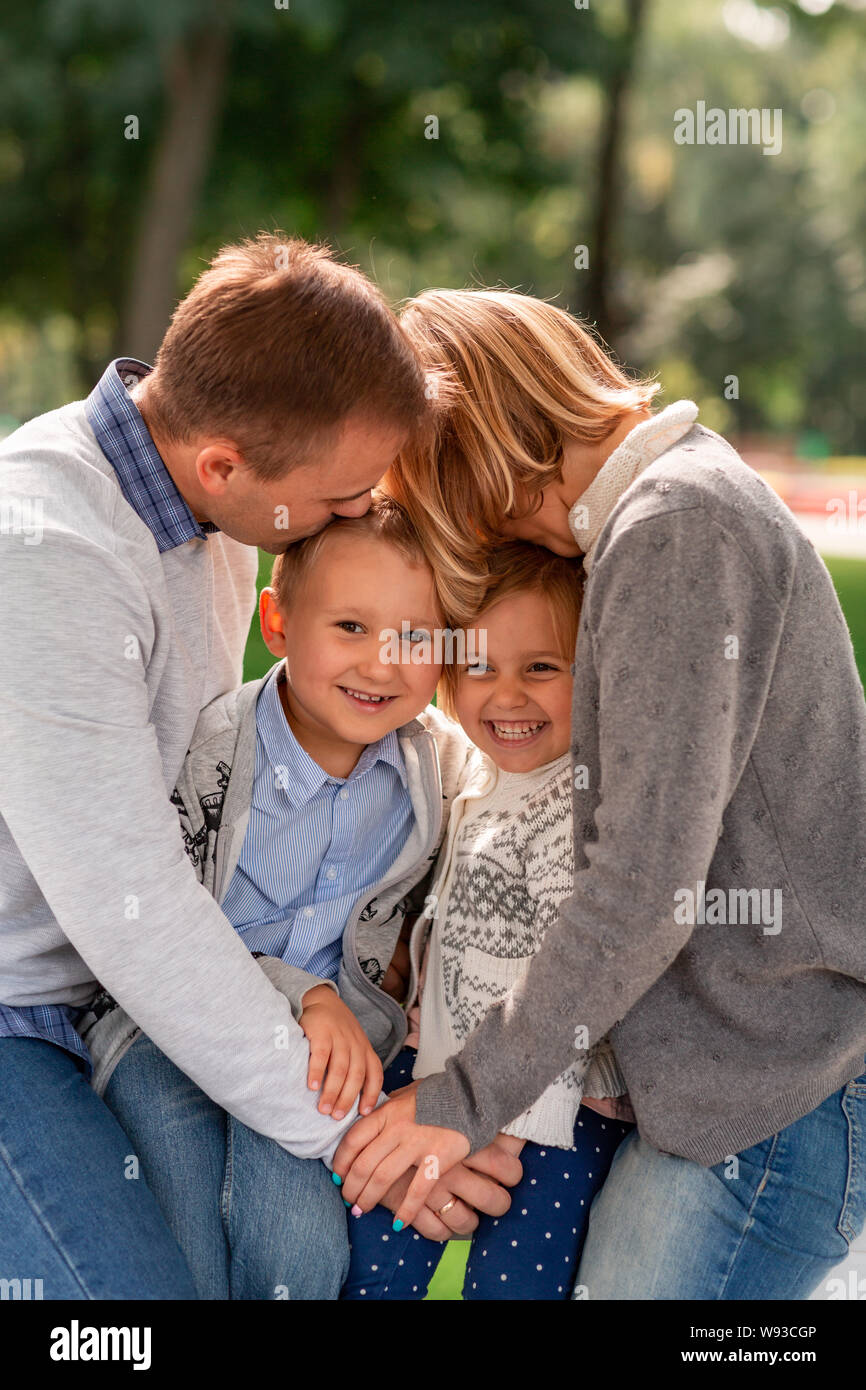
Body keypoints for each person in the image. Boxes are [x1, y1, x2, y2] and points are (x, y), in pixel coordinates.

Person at [333, 288, 866, 1300]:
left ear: (463, 439)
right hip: (736, 1086)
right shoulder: (660, 511)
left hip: (776, 1097)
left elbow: (640, 886)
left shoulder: (671, 527)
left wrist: (461, 1097)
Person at [0, 232, 432, 1298]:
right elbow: (129, 899)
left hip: (106, 999)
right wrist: (357, 1137)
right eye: (340, 500)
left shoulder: (217, 508)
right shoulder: (49, 552)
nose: (350, 519)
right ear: (223, 464)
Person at [80, 499, 523, 1298]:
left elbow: (501, 863)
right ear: (277, 624)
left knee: (300, 1252)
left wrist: (430, 994)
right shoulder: (215, 756)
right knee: (179, 1220)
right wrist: (304, 991)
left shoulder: (439, 772)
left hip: (330, 1062)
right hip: (169, 1028)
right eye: (349, 627)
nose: (382, 666)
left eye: (415, 638)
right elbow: (161, 935)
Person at [341, 542, 634, 1300]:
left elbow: (586, 974)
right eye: (479, 668)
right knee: (369, 1264)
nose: (506, 696)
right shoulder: (471, 779)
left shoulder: (575, 806)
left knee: (517, 1288)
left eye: (541, 667)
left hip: (551, 1112)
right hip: (431, 1078)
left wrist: (499, 1115)